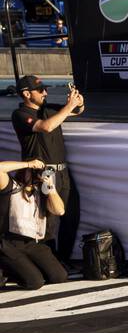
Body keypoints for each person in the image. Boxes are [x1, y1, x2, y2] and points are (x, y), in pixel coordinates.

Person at [11, 75, 82, 260]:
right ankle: (48, 262)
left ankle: (63, 259)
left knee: (70, 215)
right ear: (26, 94)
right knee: (48, 221)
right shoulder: (20, 114)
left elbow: (75, 112)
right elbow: (46, 126)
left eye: (45, 88)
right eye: (40, 90)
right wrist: (68, 107)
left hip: (62, 170)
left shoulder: (48, 109)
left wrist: (78, 103)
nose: (45, 92)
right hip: (44, 172)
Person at [0, 157, 67, 290]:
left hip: (30, 243)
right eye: (33, 170)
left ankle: (22, 268)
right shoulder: (10, 186)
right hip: (7, 243)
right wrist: (29, 164)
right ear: (24, 170)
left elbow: (60, 211)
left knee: (58, 276)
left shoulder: (40, 193)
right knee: (35, 282)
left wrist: (51, 188)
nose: (38, 173)